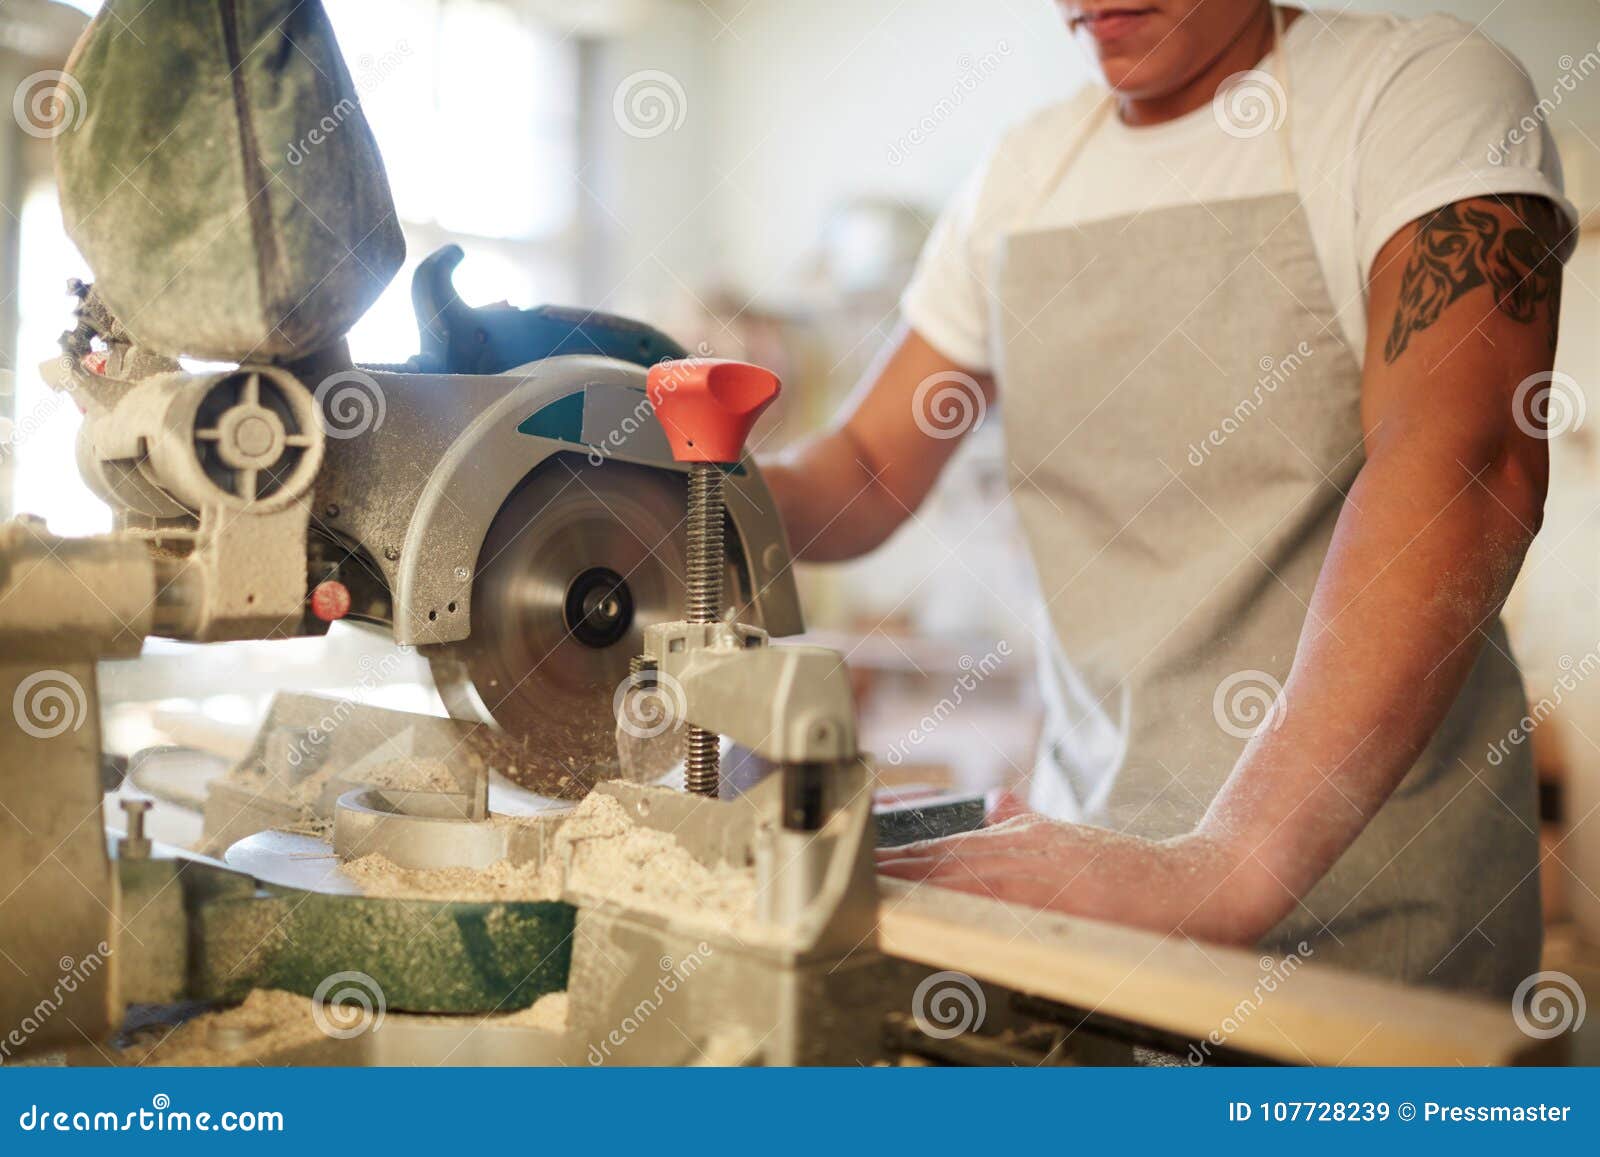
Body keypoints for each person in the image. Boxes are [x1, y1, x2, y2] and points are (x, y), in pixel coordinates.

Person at [761, 1, 1577, 995]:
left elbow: (1467, 465)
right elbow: (869, 467)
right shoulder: (1024, 175)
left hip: (1375, 933)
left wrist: (1226, 865)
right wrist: (687, 487)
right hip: (1082, 893)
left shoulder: (1418, 92)